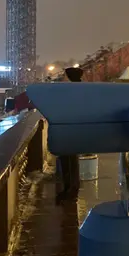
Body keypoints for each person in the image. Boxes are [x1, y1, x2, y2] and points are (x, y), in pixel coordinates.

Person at [56, 66, 84, 203]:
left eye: (64, 75)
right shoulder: (80, 89)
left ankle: (71, 190)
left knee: (69, 161)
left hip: (69, 129)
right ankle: (70, 189)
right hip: (72, 129)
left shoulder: (72, 91)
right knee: (70, 160)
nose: (62, 77)